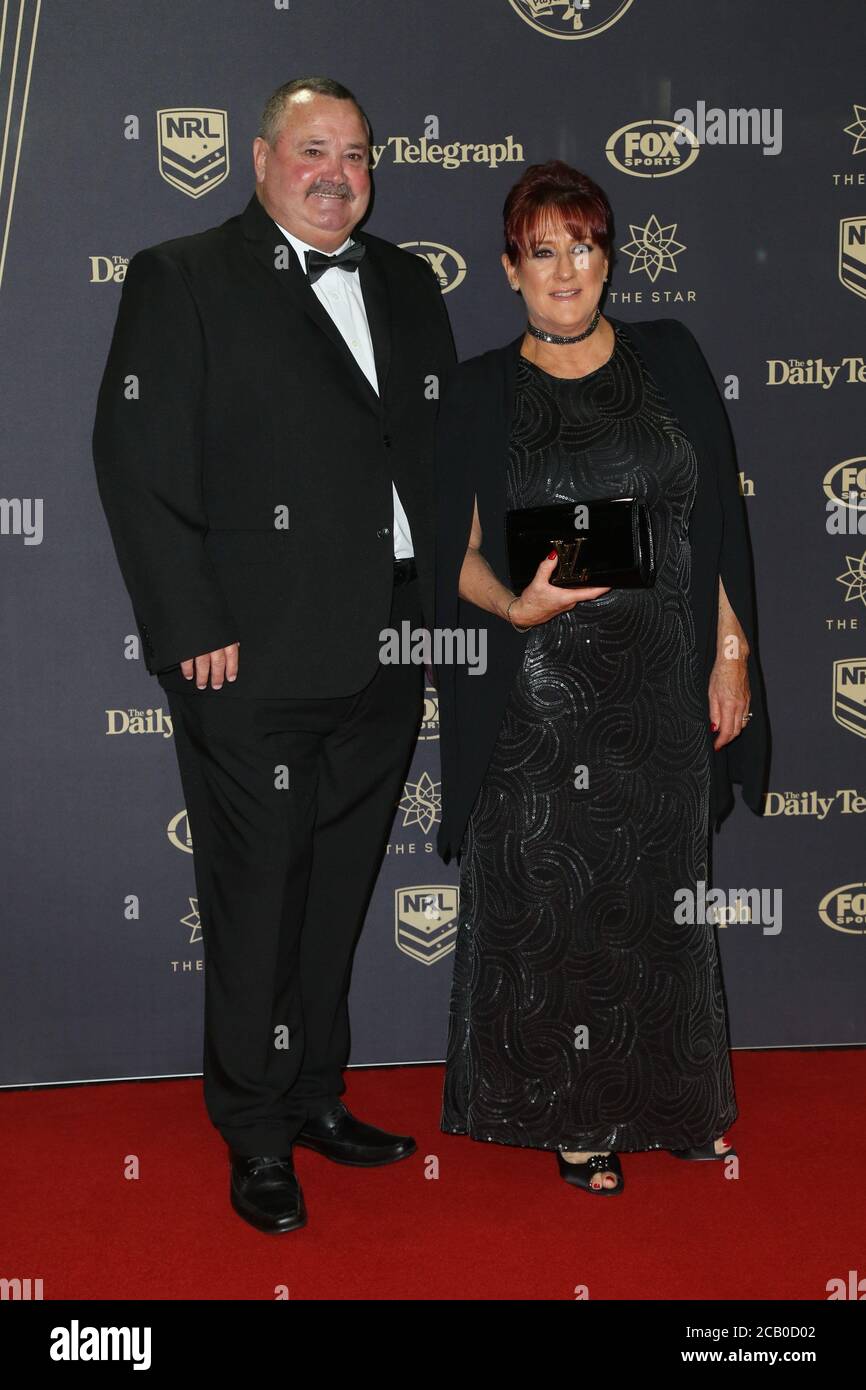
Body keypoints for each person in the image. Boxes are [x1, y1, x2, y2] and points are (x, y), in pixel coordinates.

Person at [93, 76, 455, 1233]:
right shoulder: (180, 277)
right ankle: (252, 1133)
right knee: (255, 902)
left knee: (337, 892)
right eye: (312, 150)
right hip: (247, 662)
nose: (336, 172)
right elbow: (137, 463)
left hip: (387, 644)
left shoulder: (404, 280)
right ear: (258, 160)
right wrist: (190, 624)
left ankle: (312, 1097)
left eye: (355, 153)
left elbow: (434, 452)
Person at [433, 161, 769, 1195]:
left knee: (660, 906)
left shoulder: (670, 356)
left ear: (607, 256)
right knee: (559, 916)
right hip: (538, 704)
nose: (566, 269)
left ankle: (669, 1104)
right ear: (508, 269)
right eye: (543, 251)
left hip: (663, 692)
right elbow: (446, 548)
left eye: (583, 245)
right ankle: (577, 1120)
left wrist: (730, 650)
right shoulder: (481, 388)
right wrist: (509, 605)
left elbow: (709, 521)